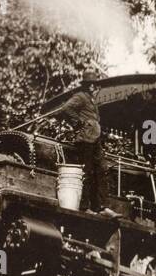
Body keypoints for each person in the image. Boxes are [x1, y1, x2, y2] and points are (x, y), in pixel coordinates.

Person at [41, 72, 112, 214]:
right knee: (87, 171)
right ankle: (85, 207)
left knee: (102, 169)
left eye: (94, 84)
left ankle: (102, 207)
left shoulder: (91, 99)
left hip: (94, 138)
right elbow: (66, 109)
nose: (93, 86)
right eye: (91, 84)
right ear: (87, 85)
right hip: (85, 139)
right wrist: (78, 124)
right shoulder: (80, 97)